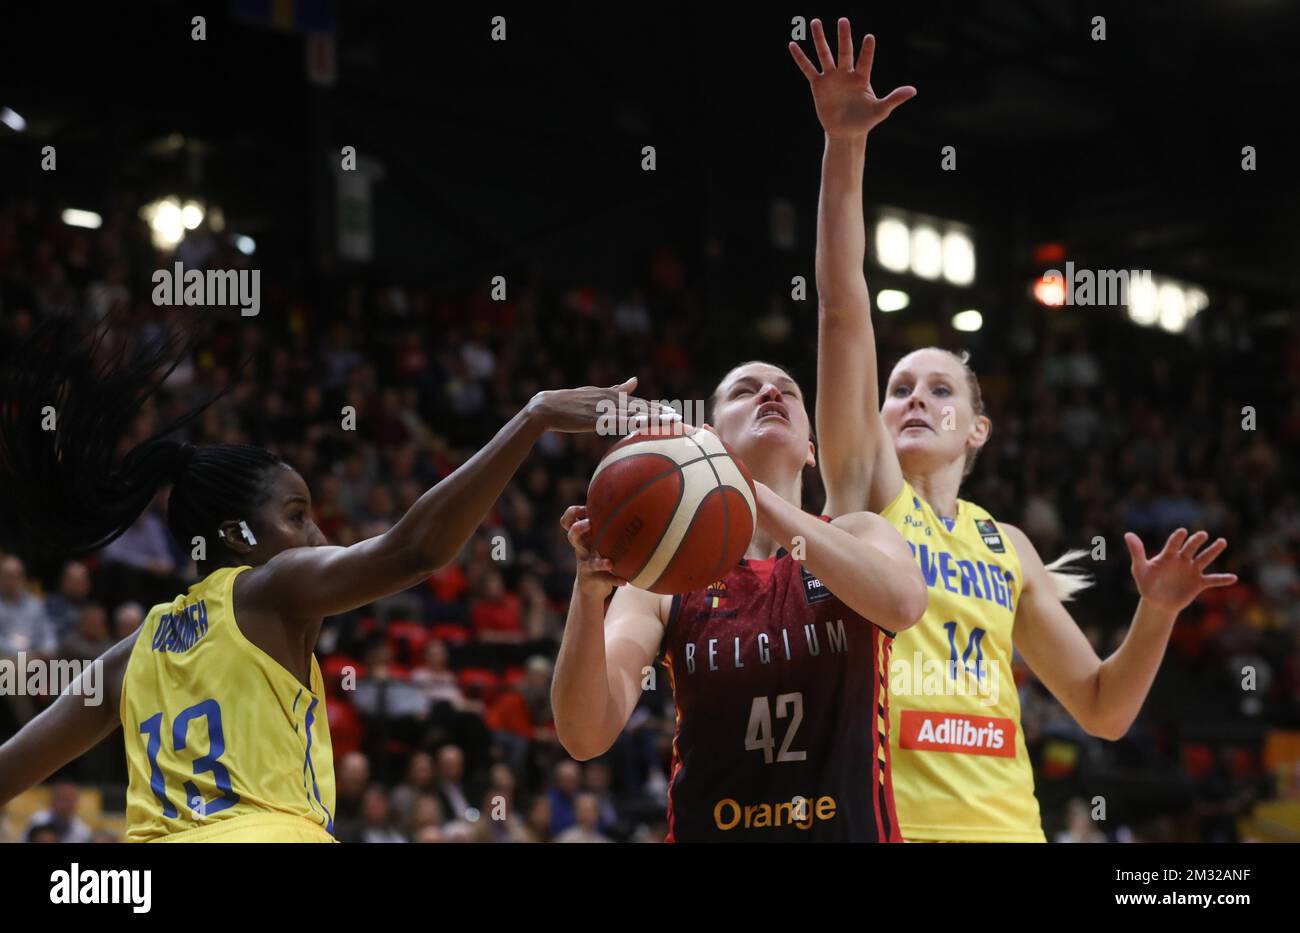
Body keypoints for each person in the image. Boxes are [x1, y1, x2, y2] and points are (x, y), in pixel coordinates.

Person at [792, 16, 1239, 841]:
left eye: (939, 390)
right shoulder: (865, 490)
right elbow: (843, 309)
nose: (914, 399)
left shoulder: (1011, 548)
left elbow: (1103, 708)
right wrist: (844, 147)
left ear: (978, 431)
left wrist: (1159, 612)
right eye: (898, 388)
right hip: (892, 827)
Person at [0, 314, 652, 842]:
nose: (318, 537)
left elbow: (11, 768)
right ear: (236, 535)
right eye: (297, 516)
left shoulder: (132, 652)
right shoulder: (272, 586)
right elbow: (415, 550)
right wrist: (532, 418)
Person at [551, 360, 928, 841]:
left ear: (809, 450)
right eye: (744, 391)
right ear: (709, 433)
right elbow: (584, 734)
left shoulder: (859, 531)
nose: (770, 391)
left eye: (788, 391)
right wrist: (587, 593)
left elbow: (904, 605)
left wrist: (750, 492)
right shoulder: (662, 580)